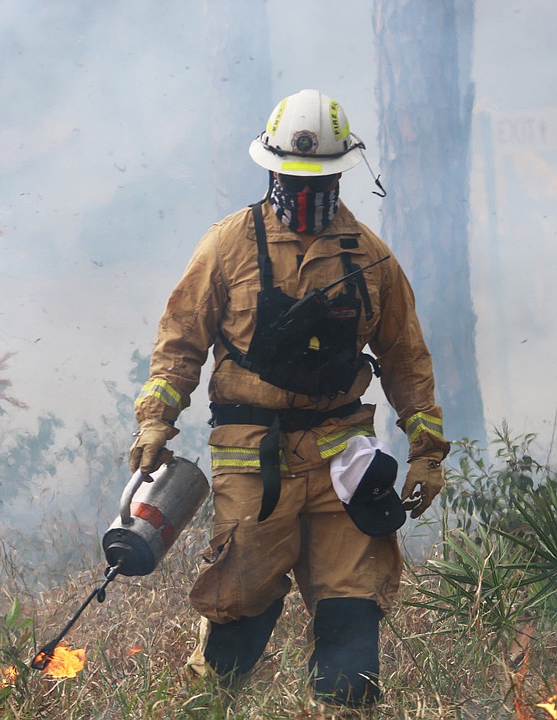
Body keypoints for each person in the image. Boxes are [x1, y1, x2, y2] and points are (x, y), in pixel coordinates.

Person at [128, 89, 450, 711]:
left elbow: (407, 361)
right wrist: (154, 420)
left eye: (320, 182)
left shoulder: (373, 258)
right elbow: (179, 342)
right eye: (293, 180)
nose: (306, 197)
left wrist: (427, 451)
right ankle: (209, 707)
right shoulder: (227, 246)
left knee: (352, 624)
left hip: (344, 466)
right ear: (272, 168)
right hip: (254, 462)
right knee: (237, 619)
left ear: (340, 175)